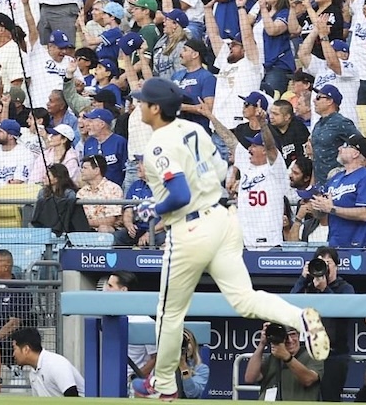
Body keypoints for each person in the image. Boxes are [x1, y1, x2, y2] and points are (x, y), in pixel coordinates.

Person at [129, 77, 329, 400]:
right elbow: (221, 169)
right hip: (225, 221)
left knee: (169, 313)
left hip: (192, 228)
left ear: (155, 108)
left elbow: (179, 194)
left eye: (143, 101)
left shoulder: (158, 144)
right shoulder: (193, 131)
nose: (138, 105)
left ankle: (163, 385)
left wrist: (154, 208)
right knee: (245, 299)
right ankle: (299, 319)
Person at [291, 246, 355, 401]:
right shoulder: (309, 286)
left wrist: (325, 289)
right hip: (308, 354)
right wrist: (303, 279)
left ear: (336, 266)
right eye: (321, 263)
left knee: (330, 400)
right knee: (303, 398)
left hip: (334, 355)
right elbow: (291, 305)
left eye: (329, 263)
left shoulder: (345, 288)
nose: (325, 267)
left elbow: (343, 311)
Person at [244, 322, 323, 401]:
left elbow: (308, 379)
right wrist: (262, 344)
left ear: (299, 335)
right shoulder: (271, 359)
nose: (290, 340)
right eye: (285, 336)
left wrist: (287, 357)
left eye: (293, 334)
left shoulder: (311, 356)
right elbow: (250, 378)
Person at [11, 327, 84, 397]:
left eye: (15, 349)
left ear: (26, 349)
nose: (13, 354)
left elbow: (72, 396)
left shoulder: (55, 363)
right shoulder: (32, 374)